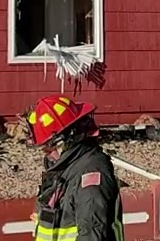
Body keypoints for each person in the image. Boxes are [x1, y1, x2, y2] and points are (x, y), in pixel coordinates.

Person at [23, 95, 125, 241]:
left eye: (47, 150)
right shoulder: (66, 170)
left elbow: (91, 234)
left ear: (63, 142)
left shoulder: (90, 173)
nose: (47, 157)